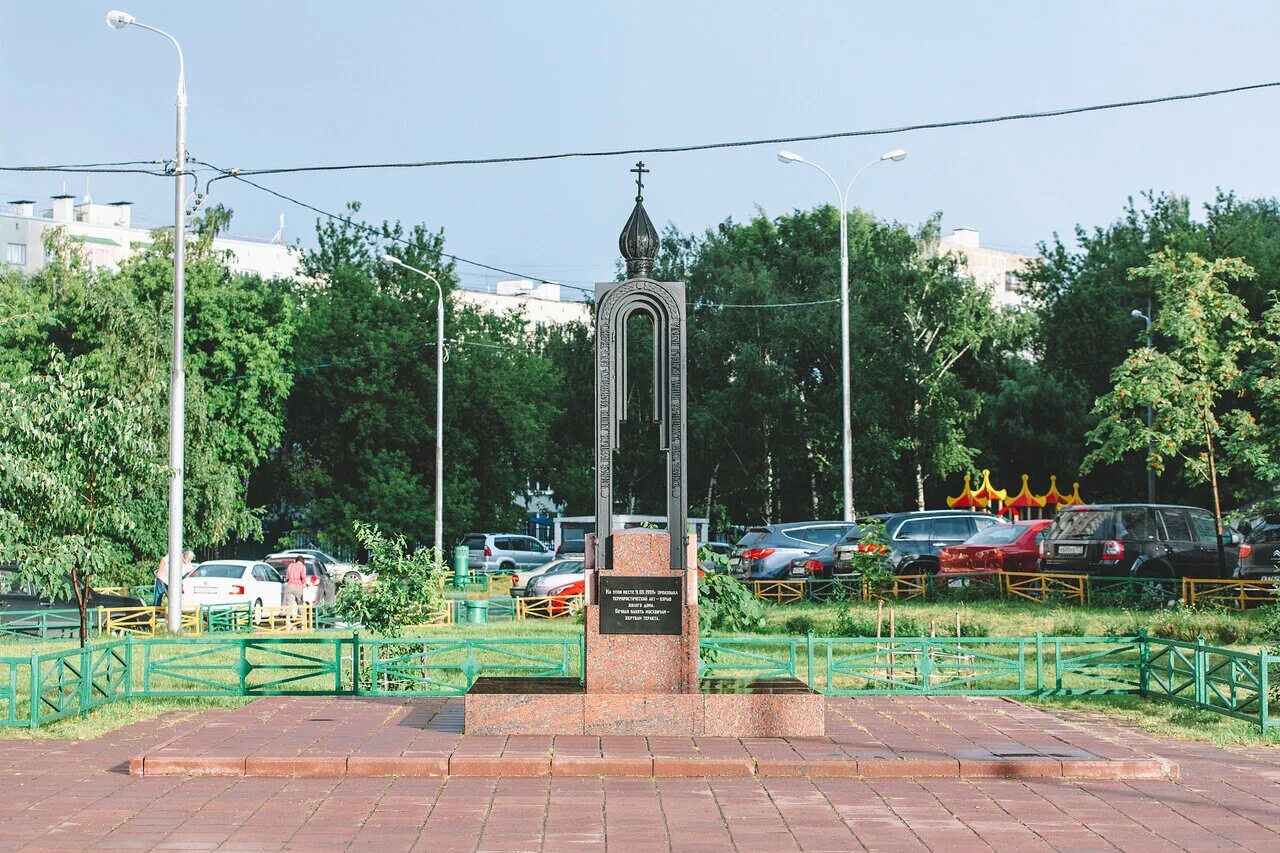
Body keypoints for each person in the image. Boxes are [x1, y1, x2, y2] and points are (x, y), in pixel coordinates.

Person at [283, 555, 306, 628]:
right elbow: (303, 577)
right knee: (300, 604)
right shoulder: (302, 567)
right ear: (302, 561)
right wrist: (304, 583)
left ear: (296, 560)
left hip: (289, 586)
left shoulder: (290, 565)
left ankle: (287, 621)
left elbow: (287, 576)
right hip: (298, 587)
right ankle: (303, 622)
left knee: (289, 605)